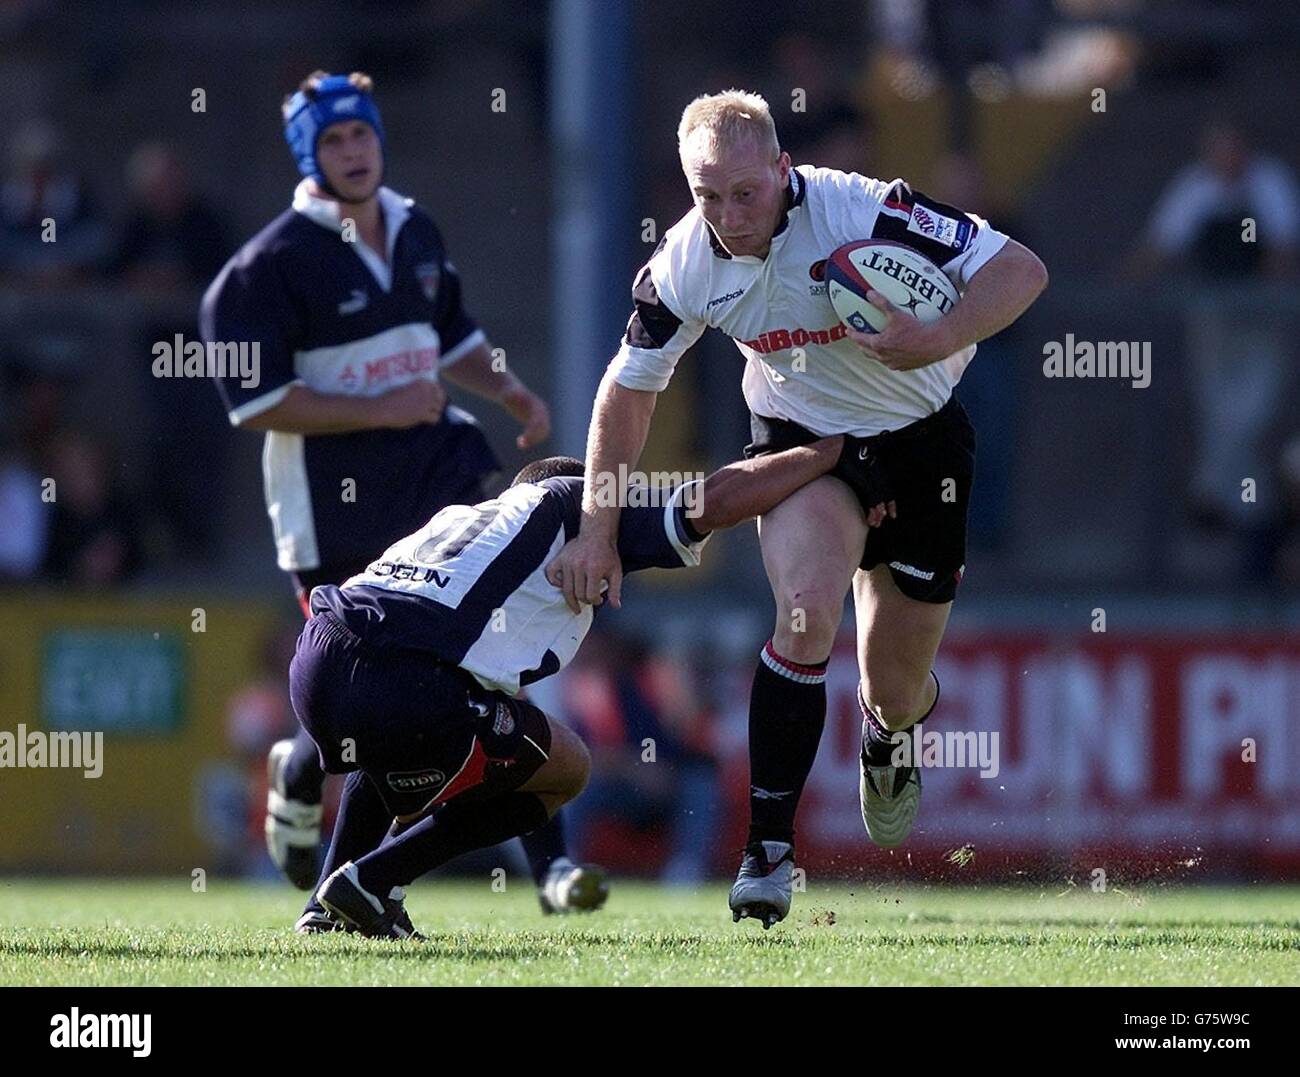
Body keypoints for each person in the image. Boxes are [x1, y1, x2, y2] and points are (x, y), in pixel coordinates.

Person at [547, 89, 1047, 927]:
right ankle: (768, 853)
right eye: (707, 196)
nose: (729, 214)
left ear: (783, 169)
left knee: (893, 684)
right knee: (807, 616)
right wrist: (598, 527)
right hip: (805, 446)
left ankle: (892, 732)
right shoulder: (683, 264)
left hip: (922, 442)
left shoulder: (866, 210)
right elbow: (625, 395)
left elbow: (1021, 270)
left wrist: (939, 331)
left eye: (746, 192)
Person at [201, 70, 593, 928]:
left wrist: (513, 392)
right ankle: (309, 782)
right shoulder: (266, 266)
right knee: (371, 700)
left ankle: (548, 868)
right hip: (330, 514)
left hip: (434, 490)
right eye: (335, 140)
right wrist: (375, 407)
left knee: (481, 665)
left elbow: (454, 338)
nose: (353, 151)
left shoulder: (414, 227)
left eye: (362, 134)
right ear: (310, 153)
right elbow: (253, 400)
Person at [296, 436, 856, 938]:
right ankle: (374, 878)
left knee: (398, 747)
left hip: (320, 655)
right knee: (564, 765)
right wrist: (826, 453)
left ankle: (331, 904)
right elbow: (715, 500)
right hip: (400, 673)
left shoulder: (469, 521)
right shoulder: (573, 507)